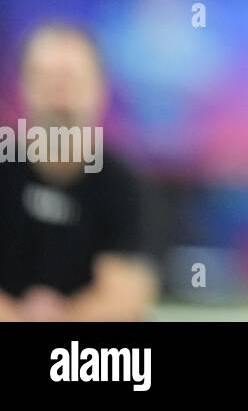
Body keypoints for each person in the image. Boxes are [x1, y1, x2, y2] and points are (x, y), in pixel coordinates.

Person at [0, 23, 157, 321]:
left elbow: (125, 297)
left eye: (71, 80)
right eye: (46, 79)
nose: (59, 96)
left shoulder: (125, 184)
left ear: (100, 88)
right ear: (22, 86)